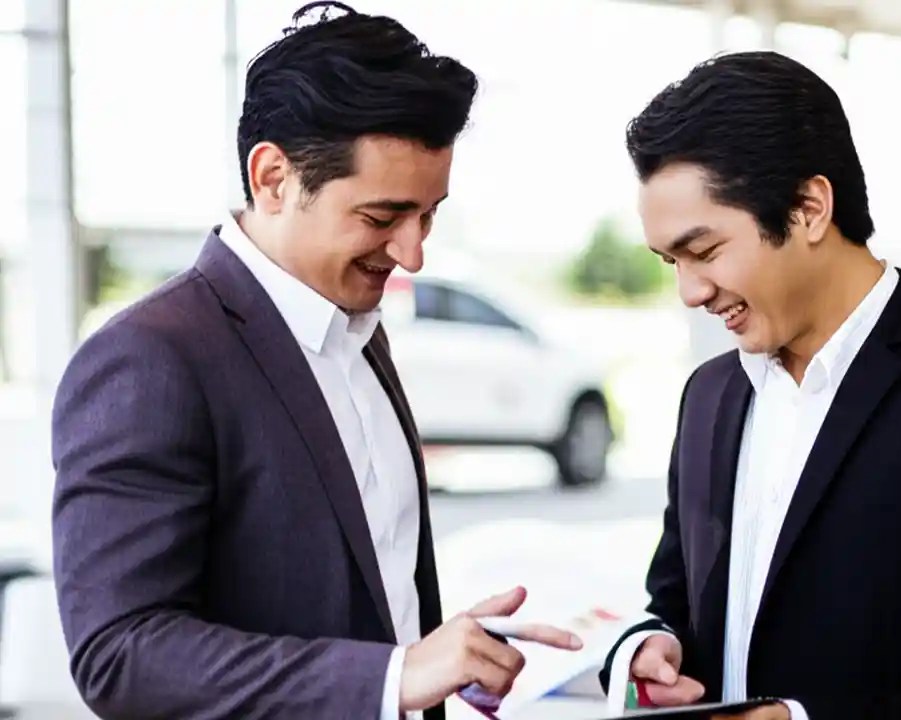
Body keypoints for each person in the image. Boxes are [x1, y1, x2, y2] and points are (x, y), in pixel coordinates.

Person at [50, 4, 579, 719]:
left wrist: (440, 653)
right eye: (381, 217)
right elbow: (122, 653)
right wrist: (391, 677)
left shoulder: (358, 329)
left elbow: (357, 598)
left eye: (430, 214)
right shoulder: (150, 358)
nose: (412, 254)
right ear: (272, 177)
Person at [598, 51, 901, 719]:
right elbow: (677, 602)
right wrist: (648, 645)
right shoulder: (709, 396)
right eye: (670, 262)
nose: (690, 292)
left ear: (808, 207)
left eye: (706, 252)